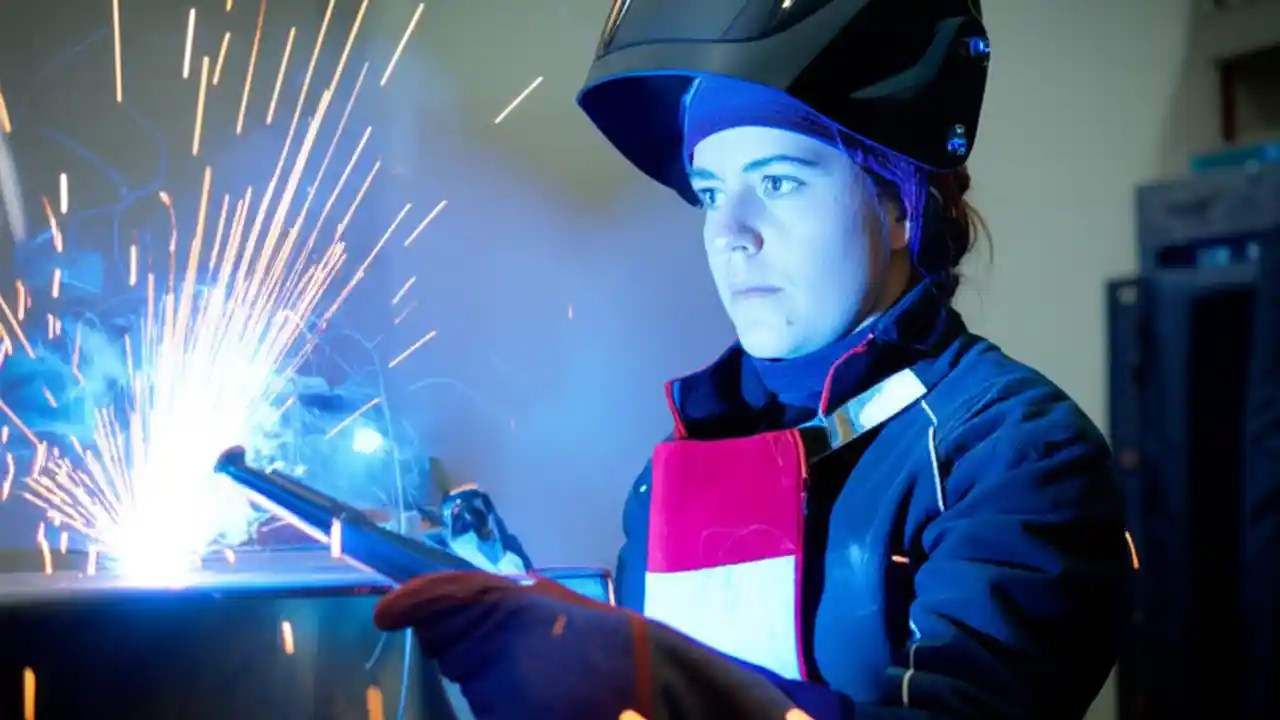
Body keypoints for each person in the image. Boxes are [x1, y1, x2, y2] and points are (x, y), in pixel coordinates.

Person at [374, 1, 1134, 718]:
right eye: (710, 192)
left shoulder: (1014, 454)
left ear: (899, 204)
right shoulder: (691, 453)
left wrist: (647, 672)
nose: (731, 232)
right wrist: (537, 624)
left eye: (777, 181)